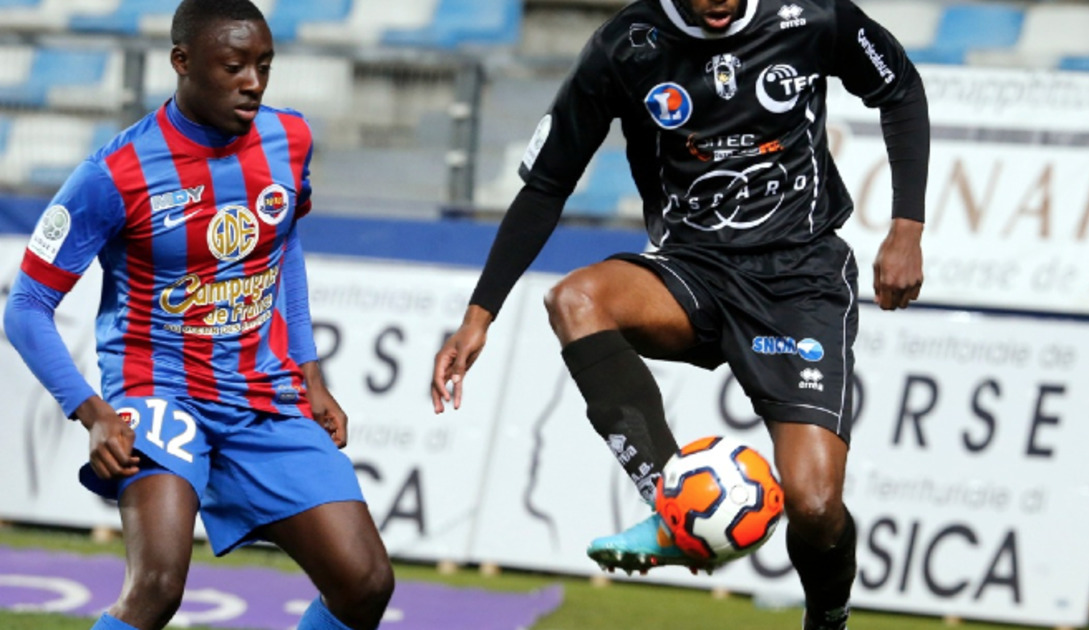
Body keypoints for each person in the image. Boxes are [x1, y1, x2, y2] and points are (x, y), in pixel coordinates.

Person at [431, 0, 928, 627]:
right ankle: (675, 511)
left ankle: (827, 618)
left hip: (799, 281)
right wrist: (480, 313)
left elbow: (901, 89)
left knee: (815, 505)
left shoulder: (814, 17)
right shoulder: (625, 46)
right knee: (576, 299)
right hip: (692, 270)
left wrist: (906, 227)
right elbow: (548, 183)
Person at [2, 2, 395, 629]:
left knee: (366, 583)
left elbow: (282, 242)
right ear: (181, 63)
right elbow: (25, 307)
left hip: (261, 391)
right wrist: (92, 410)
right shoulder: (113, 174)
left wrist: (309, 368)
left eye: (264, 65)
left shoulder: (290, 139)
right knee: (156, 586)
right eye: (234, 66)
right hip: (159, 393)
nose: (254, 82)